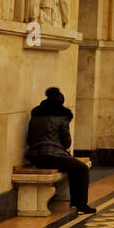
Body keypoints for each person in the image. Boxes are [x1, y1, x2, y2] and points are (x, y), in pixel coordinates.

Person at [25, 87, 95, 215]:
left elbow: (29, 140)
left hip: (35, 157)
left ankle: (75, 202)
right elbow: (66, 142)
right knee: (82, 168)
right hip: (53, 157)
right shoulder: (62, 116)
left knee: (73, 166)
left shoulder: (35, 115)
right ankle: (82, 205)